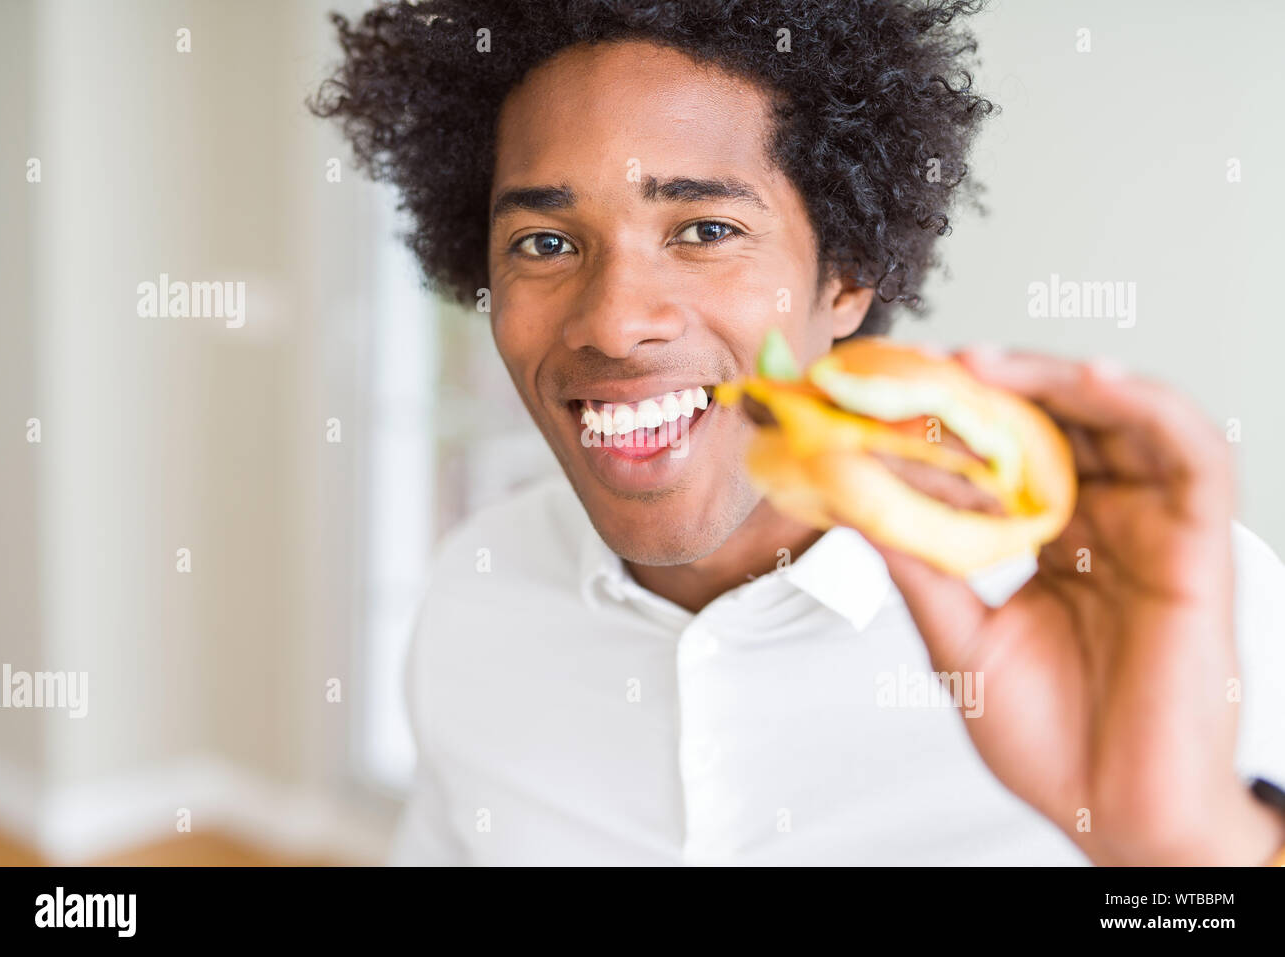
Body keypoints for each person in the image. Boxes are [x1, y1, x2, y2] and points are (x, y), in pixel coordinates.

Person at [310, 0, 1285, 865]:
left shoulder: (1165, 606)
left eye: (703, 229)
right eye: (546, 243)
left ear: (846, 273)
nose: (613, 321)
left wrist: (1186, 848)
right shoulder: (474, 590)